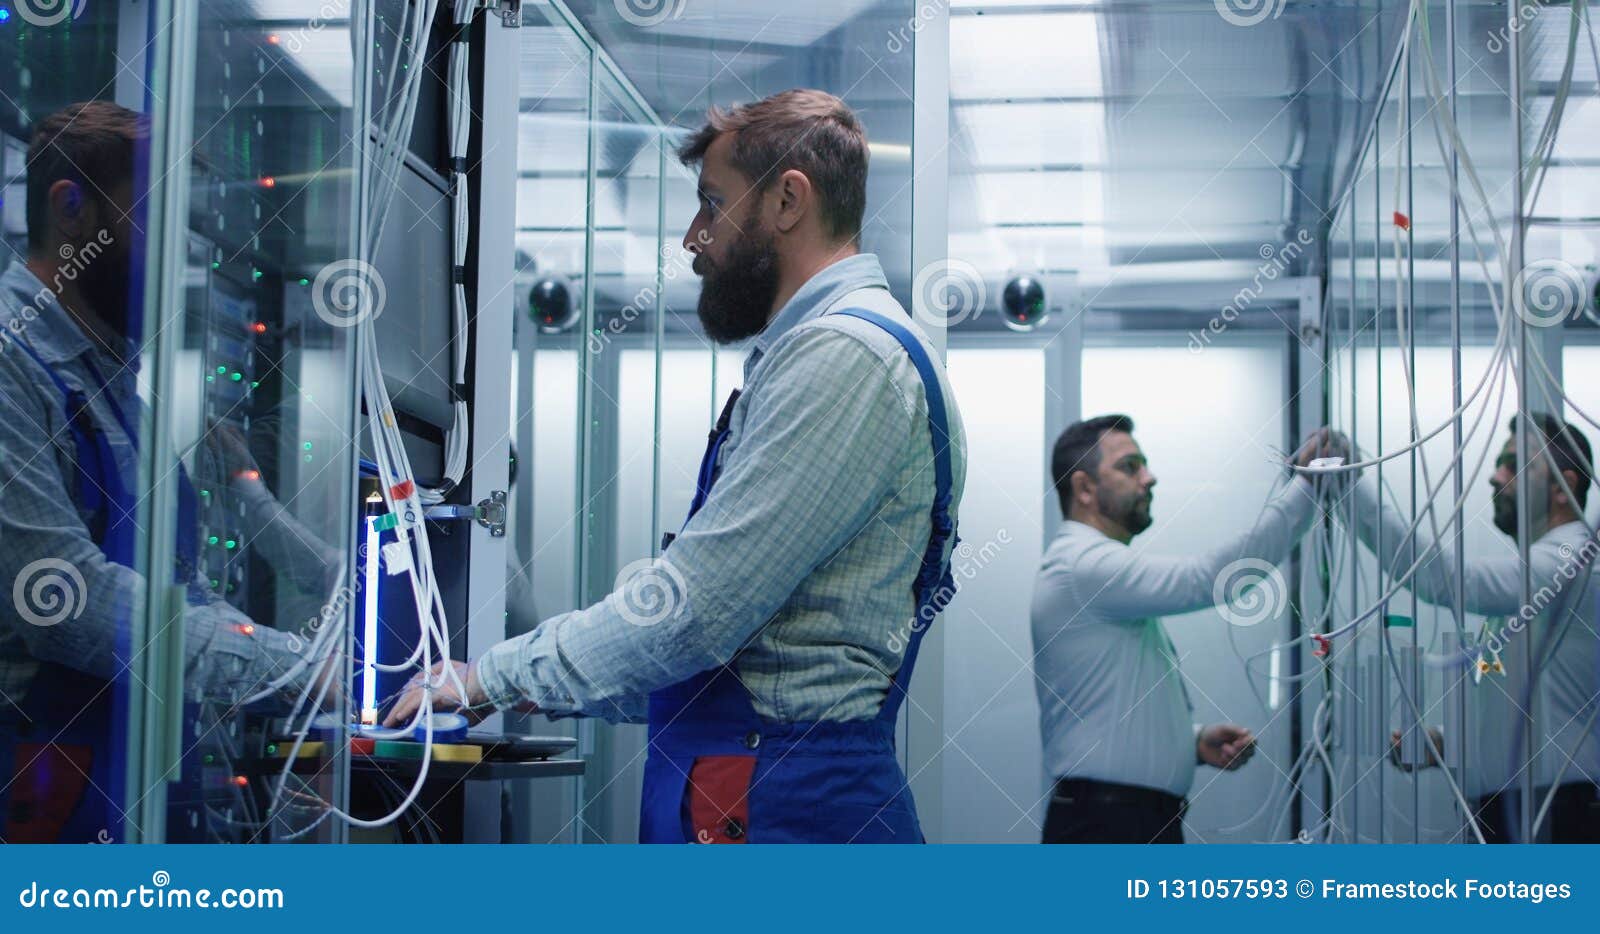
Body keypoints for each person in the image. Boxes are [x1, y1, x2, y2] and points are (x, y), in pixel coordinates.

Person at [387, 88, 968, 844]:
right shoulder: (820, 354)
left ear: (789, 200)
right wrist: (534, 681)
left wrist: (487, 677)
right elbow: (710, 643)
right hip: (753, 784)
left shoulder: (843, 359)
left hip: (785, 806)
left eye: (713, 205)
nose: (695, 238)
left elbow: (698, 613)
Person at [0, 101, 324, 843]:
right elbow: (66, 599)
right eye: (151, 216)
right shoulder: (10, 362)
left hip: (129, 787)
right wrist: (293, 667)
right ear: (71, 208)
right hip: (35, 798)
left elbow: (187, 592)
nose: (174, 252)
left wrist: (296, 673)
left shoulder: (117, 389)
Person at [1032, 414, 1334, 843]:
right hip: (1106, 827)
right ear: (1083, 488)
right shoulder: (1084, 565)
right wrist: (1308, 486)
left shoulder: (1090, 573)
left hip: (1125, 820)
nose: (1149, 478)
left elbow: (1110, 708)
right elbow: (1209, 577)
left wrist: (1191, 743)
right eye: (1129, 466)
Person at [1344, 414, 1598, 843]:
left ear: (1562, 486)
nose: (1495, 477)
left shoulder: (1574, 564)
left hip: (1561, 811)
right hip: (1516, 806)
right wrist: (1444, 743)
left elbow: (1445, 581)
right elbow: (1526, 712)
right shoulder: (1534, 579)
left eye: (1513, 464)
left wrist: (1350, 488)